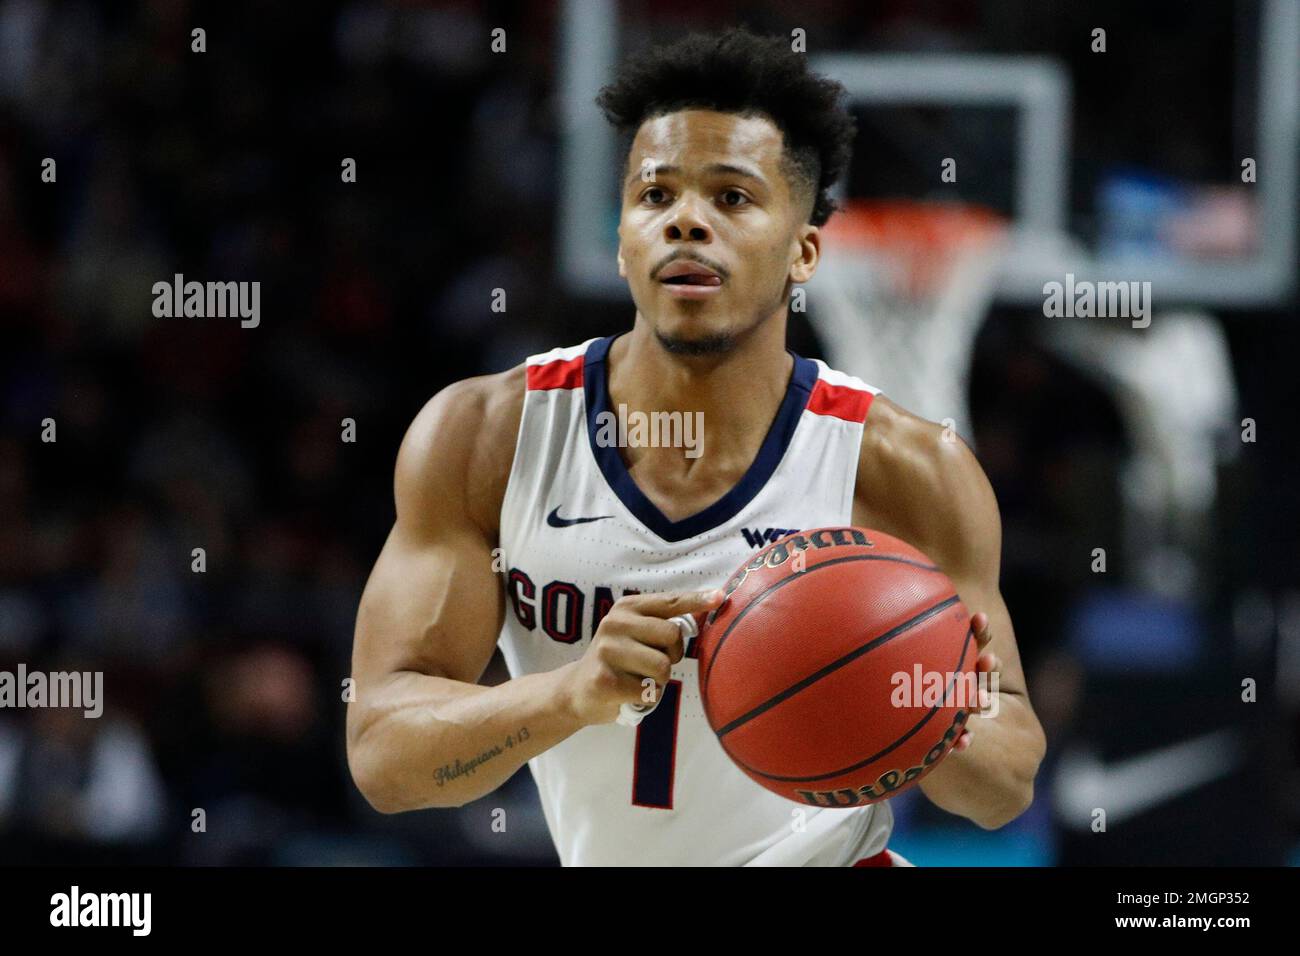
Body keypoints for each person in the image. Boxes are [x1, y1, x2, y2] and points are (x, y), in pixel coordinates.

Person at [346, 27, 1045, 866]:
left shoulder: (905, 470)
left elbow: (1006, 788)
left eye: (732, 198)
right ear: (620, 241)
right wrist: (569, 694)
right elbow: (384, 758)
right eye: (655, 196)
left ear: (805, 251)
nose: (685, 221)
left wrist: (915, 705)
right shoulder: (485, 437)